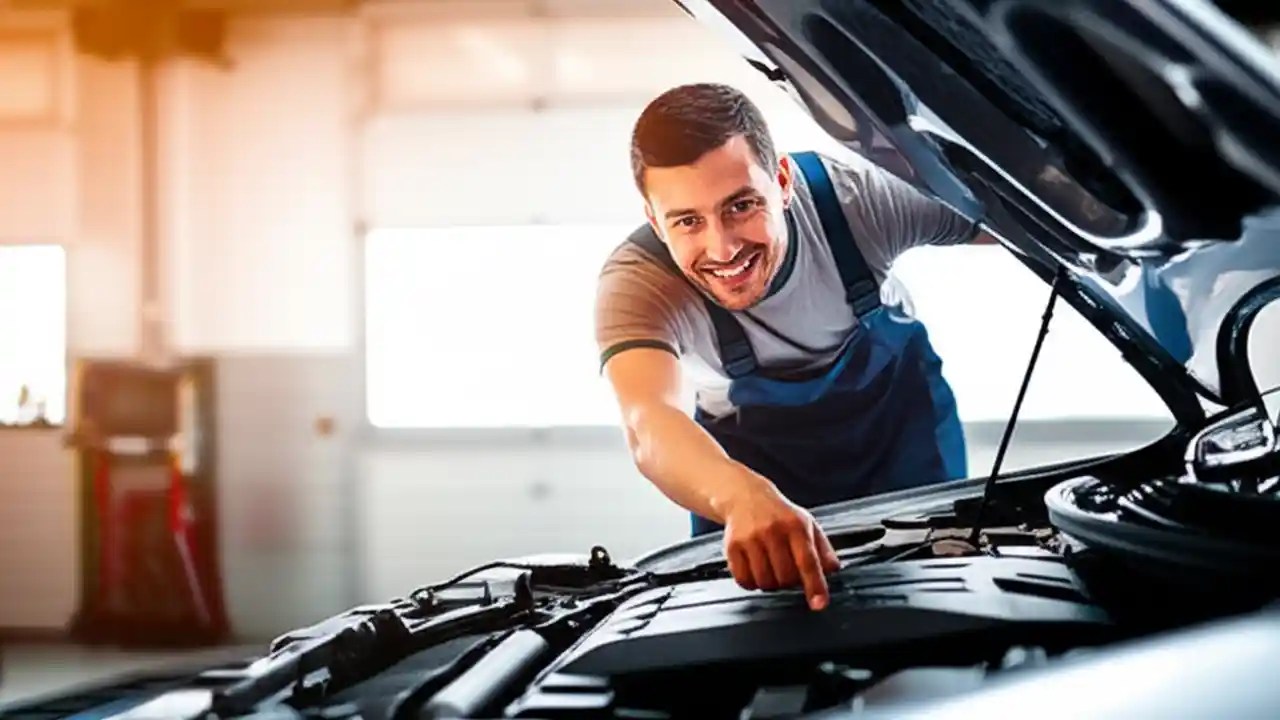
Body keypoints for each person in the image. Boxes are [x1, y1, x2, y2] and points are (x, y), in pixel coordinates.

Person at [595, 83, 988, 611]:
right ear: (653, 219)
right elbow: (648, 421)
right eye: (687, 221)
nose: (723, 247)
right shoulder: (638, 283)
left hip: (900, 438)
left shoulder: (860, 202)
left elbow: (1033, 223)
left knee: (934, 609)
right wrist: (739, 497)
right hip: (748, 467)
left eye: (740, 206)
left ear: (782, 181)